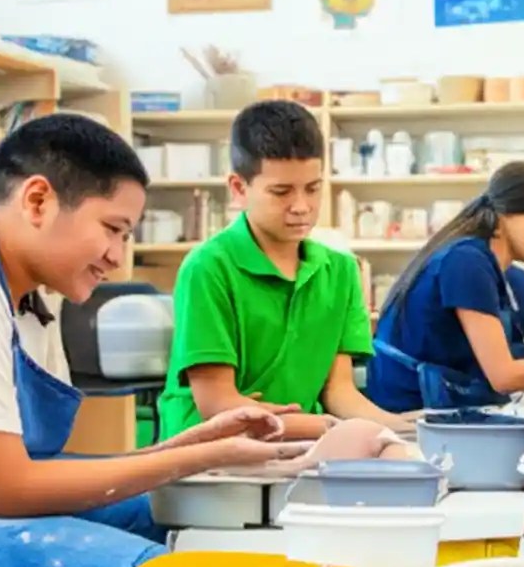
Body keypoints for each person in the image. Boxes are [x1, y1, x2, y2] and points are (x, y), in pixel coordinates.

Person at [0, 114, 401, 567]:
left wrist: (184, 446)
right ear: (38, 200)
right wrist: (204, 456)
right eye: (112, 229)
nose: (118, 258)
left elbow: (22, 466)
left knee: (177, 514)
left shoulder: (28, 293)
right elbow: (0, 488)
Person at [158, 101, 410, 440]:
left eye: (313, 188)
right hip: (210, 453)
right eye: (281, 192)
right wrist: (328, 428)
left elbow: (339, 392)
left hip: (300, 443)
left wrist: (406, 429)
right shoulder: (208, 268)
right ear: (239, 189)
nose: (302, 207)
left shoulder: (340, 271)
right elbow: (218, 405)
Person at [365, 161, 524, 413]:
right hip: (408, 412)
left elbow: (515, 357)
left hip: (455, 402)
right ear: (502, 214)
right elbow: (504, 376)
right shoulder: (466, 261)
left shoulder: (515, 281)